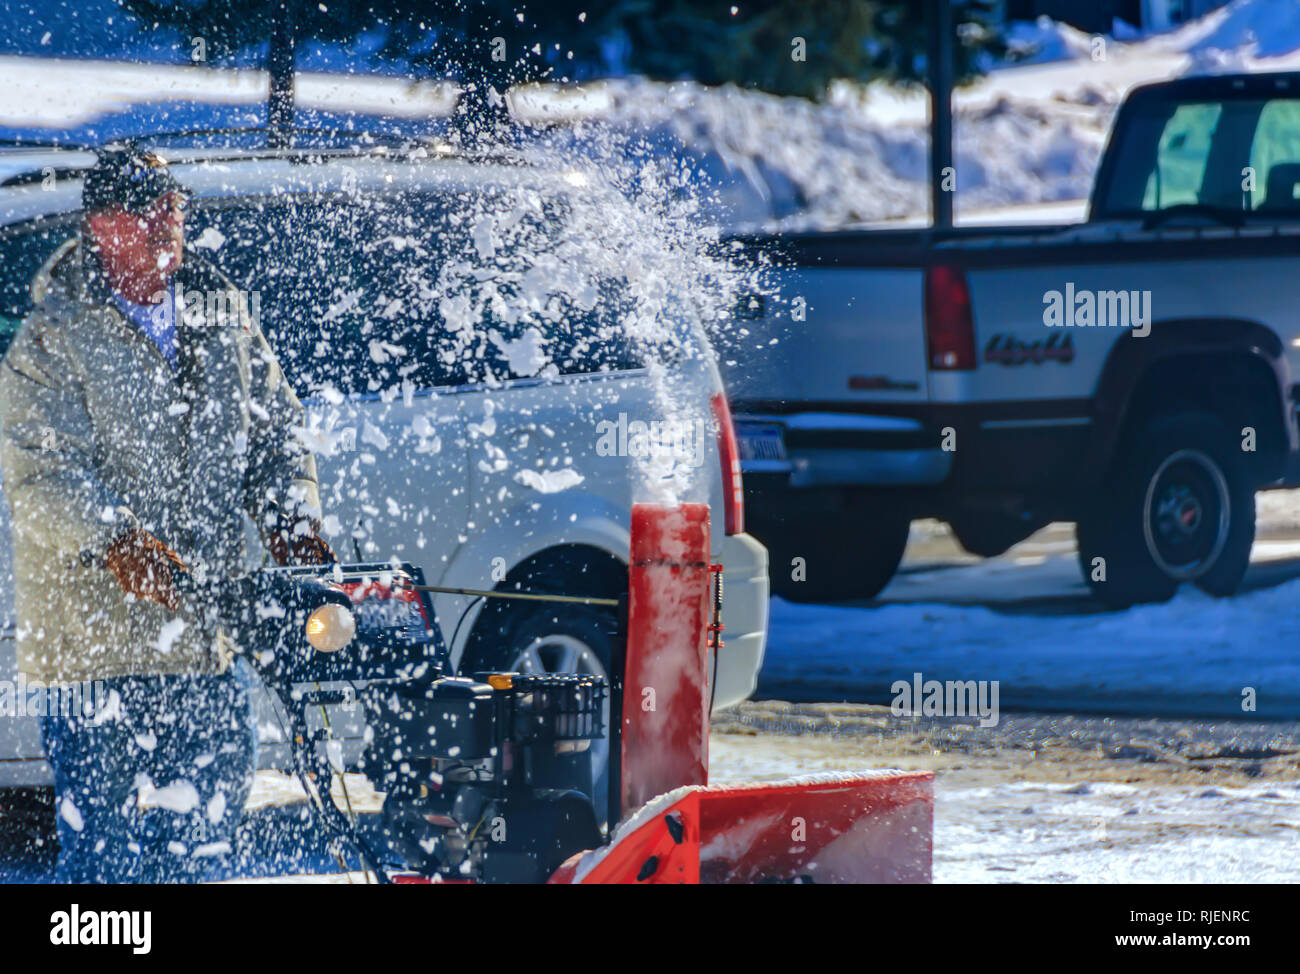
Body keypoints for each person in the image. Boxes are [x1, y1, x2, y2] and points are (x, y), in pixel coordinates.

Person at [0, 143, 333, 882]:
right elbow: (41, 477)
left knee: (205, 854)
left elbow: (276, 434)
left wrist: (290, 518)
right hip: (92, 650)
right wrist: (116, 537)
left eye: (169, 206)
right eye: (138, 210)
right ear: (100, 227)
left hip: (202, 639)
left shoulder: (222, 313)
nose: (160, 223)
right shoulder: (54, 333)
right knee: (104, 865)